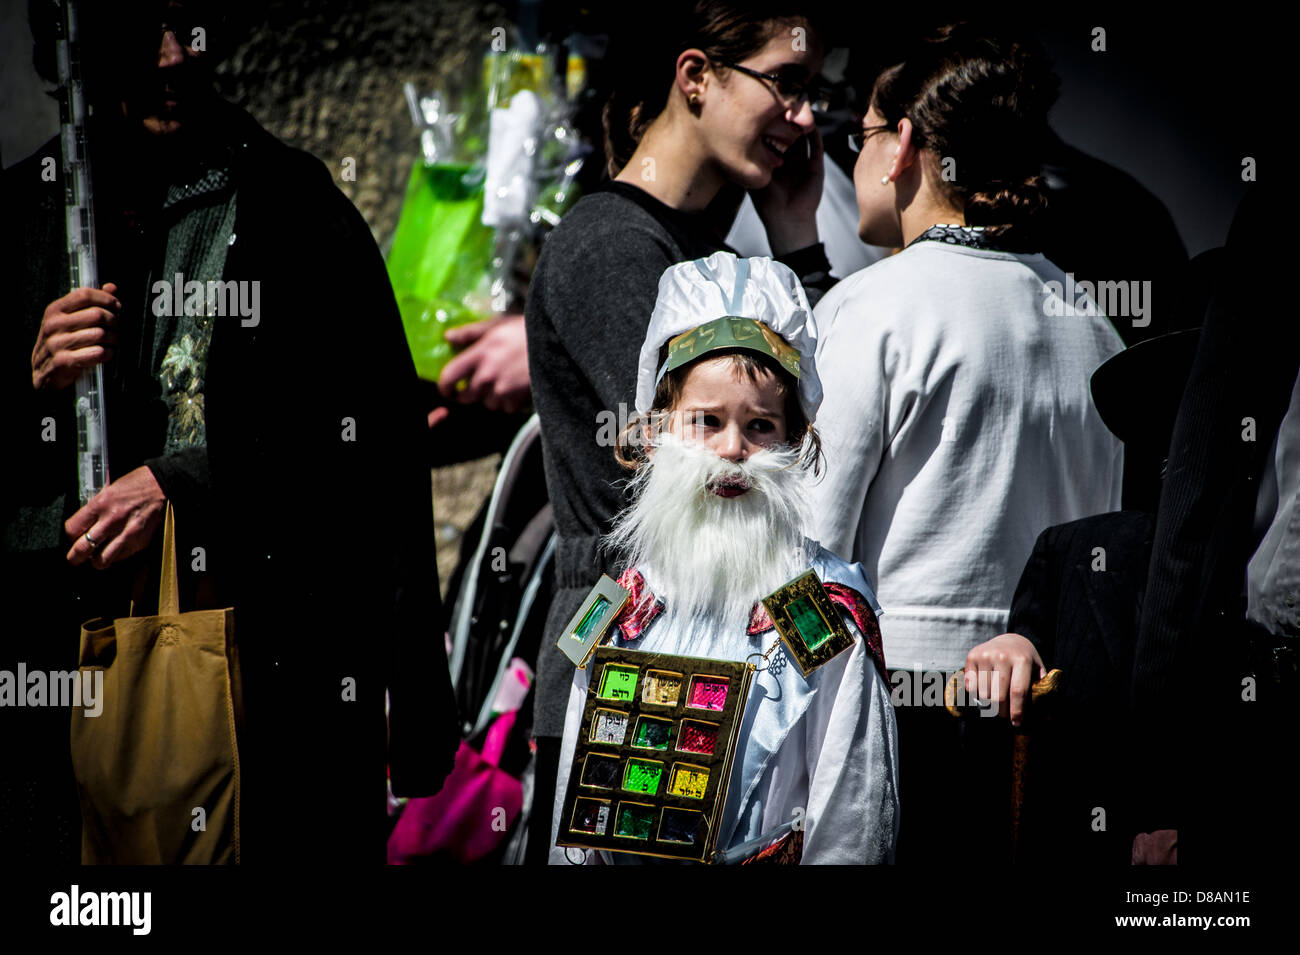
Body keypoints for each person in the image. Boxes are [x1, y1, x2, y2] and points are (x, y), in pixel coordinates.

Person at [2, 0, 457, 863]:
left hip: (255, 696)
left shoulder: (290, 209)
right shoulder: (26, 218)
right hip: (48, 698)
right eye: (145, 26)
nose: (174, 55)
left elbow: (367, 445)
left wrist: (190, 481)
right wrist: (28, 383)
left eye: (193, 22)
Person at [524, 0, 839, 863]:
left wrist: (794, 238)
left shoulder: (697, 247)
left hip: (692, 668)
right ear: (695, 75)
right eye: (785, 83)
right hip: (631, 675)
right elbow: (773, 454)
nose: (805, 117)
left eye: (814, 93)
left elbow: (804, 430)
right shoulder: (614, 244)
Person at [805, 24, 1125, 862]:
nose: (856, 157)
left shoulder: (870, 309)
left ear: (904, 143)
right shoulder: (1093, 326)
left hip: (897, 723)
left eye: (864, 135)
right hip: (1049, 727)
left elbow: (803, 553)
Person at [549, 252, 898, 864]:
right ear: (658, 429)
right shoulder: (621, 601)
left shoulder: (821, 606)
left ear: (795, 439)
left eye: (760, 426)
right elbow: (575, 803)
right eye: (705, 421)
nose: (732, 449)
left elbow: (852, 809)